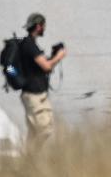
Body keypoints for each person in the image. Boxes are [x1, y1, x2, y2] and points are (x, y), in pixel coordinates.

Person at [18, 13, 67, 145]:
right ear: (38, 26)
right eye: (43, 25)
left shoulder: (31, 44)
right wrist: (60, 56)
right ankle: (30, 157)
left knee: (36, 131)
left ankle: (28, 160)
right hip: (33, 96)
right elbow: (46, 66)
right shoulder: (29, 45)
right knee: (44, 130)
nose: (45, 28)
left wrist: (53, 57)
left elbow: (45, 67)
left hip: (39, 95)